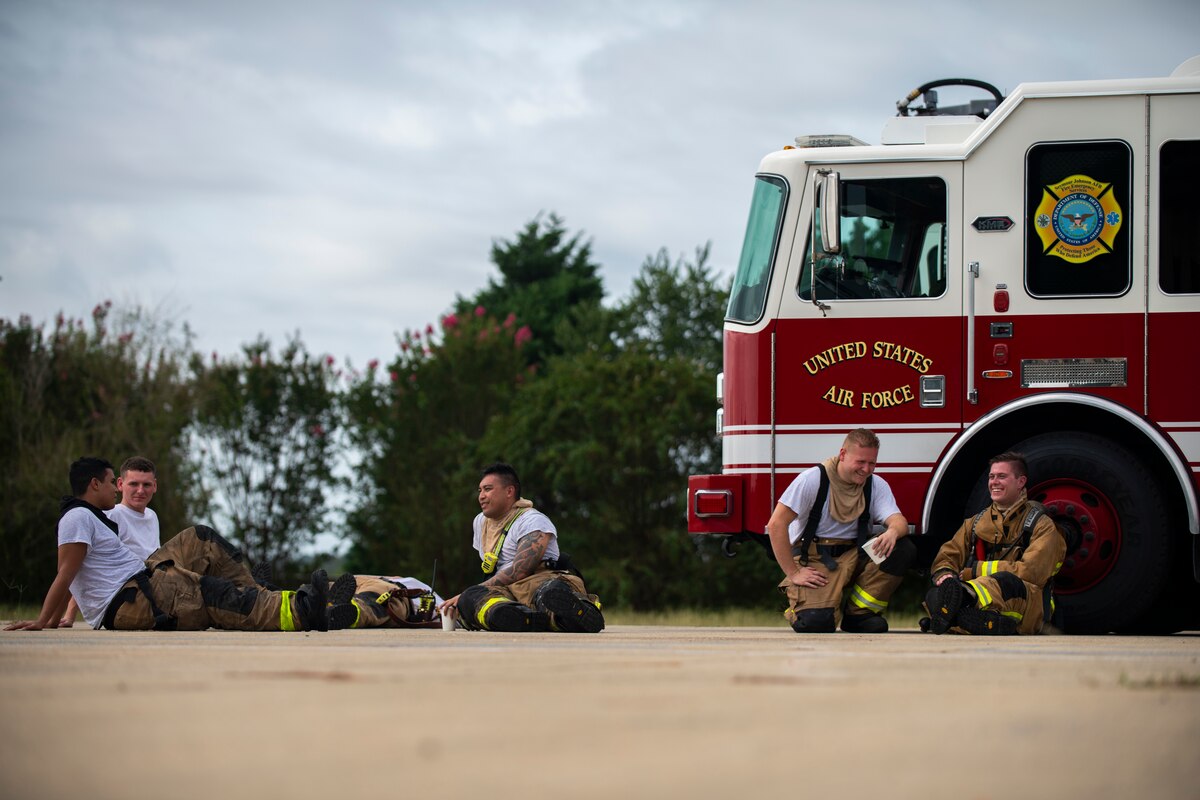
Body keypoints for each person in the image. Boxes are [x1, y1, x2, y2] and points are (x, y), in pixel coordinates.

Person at [5, 456, 329, 633]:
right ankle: (299, 610)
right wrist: (47, 620)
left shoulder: (88, 517)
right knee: (216, 597)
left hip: (140, 586)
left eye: (146, 484)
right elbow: (67, 573)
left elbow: (86, 572)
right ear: (96, 484)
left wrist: (54, 618)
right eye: (111, 484)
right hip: (132, 598)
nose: (116, 492)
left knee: (203, 542)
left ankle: (277, 598)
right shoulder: (80, 517)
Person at [766, 428, 915, 633]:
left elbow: (899, 521)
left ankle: (859, 614)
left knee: (902, 547)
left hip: (856, 554)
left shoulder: (875, 485)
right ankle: (796, 609)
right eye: (860, 462)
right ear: (843, 454)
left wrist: (891, 532)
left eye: (872, 463)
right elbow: (776, 525)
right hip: (816, 558)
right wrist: (794, 573)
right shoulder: (812, 480)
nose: (866, 469)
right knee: (815, 624)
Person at [439, 463, 604, 633]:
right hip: (507, 592)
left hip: (539, 582)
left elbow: (520, 571)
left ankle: (574, 613)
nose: (481, 496)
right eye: (480, 490)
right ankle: (523, 618)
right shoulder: (480, 522)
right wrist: (468, 597)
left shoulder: (532, 520)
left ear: (509, 491)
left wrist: (476, 589)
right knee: (471, 598)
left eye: (487, 489)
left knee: (549, 594)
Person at [923, 451, 1067, 635]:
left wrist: (974, 571)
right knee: (934, 594)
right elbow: (947, 556)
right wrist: (945, 574)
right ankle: (987, 622)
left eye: (1002, 476)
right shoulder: (975, 523)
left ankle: (956, 609)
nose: (994, 482)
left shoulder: (1043, 525)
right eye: (991, 477)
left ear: (1021, 482)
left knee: (1006, 581)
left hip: (1026, 603)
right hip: (983, 598)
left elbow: (1032, 573)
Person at [59, 455, 162, 627]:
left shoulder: (152, 516)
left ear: (155, 486)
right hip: (130, 590)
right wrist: (69, 615)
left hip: (156, 583)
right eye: (133, 484)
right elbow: (87, 565)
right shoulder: (110, 516)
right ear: (120, 484)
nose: (140, 490)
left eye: (146, 484)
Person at [326, 574, 444, 630]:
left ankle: (346, 611)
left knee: (372, 604)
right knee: (322, 590)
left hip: (398, 596)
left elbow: (460, 607)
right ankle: (311, 602)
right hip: (372, 581)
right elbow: (396, 577)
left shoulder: (448, 608)